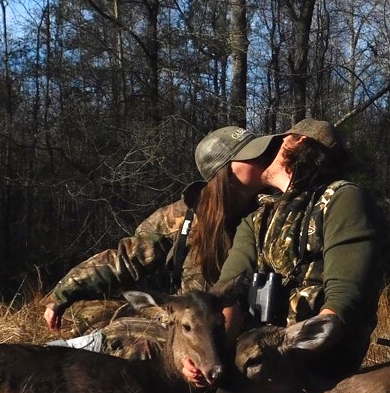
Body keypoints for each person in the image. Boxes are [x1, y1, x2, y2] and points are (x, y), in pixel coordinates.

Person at [42, 125, 263, 333]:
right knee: (99, 317)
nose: (263, 157)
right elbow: (126, 259)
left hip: (250, 328)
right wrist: (63, 293)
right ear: (227, 173)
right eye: (250, 154)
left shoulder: (274, 208)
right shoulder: (183, 217)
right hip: (192, 329)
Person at [214, 118, 385, 381]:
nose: (269, 147)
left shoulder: (343, 198)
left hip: (314, 370)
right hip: (254, 365)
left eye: (282, 138)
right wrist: (211, 353)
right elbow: (226, 294)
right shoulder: (257, 218)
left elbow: (343, 302)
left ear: (299, 143)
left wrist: (283, 361)